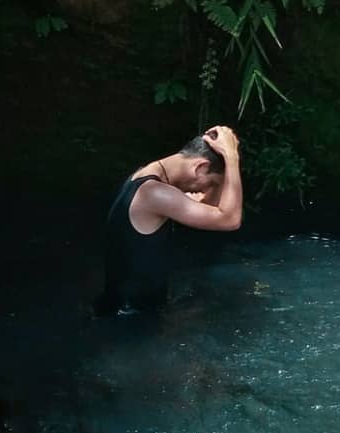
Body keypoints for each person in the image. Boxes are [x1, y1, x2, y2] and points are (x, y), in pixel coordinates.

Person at [98, 126, 243, 315]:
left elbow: (211, 207)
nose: (209, 189)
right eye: (213, 183)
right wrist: (232, 158)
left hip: (123, 306)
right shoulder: (154, 194)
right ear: (200, 168)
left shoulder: (146, 177)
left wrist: (223, 170)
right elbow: (230, 219)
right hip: (133, 317)